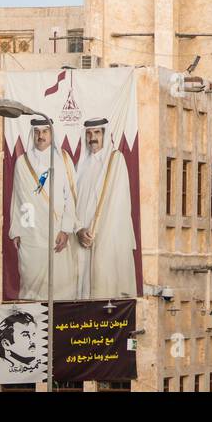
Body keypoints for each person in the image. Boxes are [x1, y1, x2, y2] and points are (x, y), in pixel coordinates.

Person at [9, 119, 78, 300]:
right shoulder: (22, 162)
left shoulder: (63, 159)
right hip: (31, 233)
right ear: (32, 134)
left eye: (45, 131)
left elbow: (70, 196)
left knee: (60, 285)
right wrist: (17, 230)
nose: (41, 136)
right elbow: (18, 199)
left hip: (57, 232)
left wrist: (66, 229)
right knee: (31, 287)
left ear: (52, 133)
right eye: (37, 132)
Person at [73, 117, 138, 298]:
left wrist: (94, 233)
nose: (92, 138)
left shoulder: (115, 161)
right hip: (80, 239)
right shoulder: (80, 166)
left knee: (103, 286)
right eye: (88, 134)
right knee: (81, 292)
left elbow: (117, 205)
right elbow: (70, 202)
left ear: (104, 134)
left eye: (96, 133)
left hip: (104, 239)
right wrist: (78, 229)